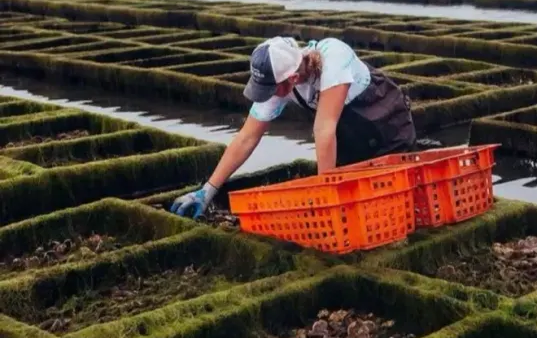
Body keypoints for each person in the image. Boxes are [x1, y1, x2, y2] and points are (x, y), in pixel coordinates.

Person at [170, 35, 416, 218]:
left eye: (271, 88)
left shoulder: (334, 57)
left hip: (387, 125)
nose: (268, 95)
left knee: (397, 202)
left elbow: (324, 129)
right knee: (361, 206)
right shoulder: (281, 86)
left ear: (292, 80)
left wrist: (324, 194)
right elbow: (246, 137)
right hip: (349, 137)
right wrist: (208, 190)